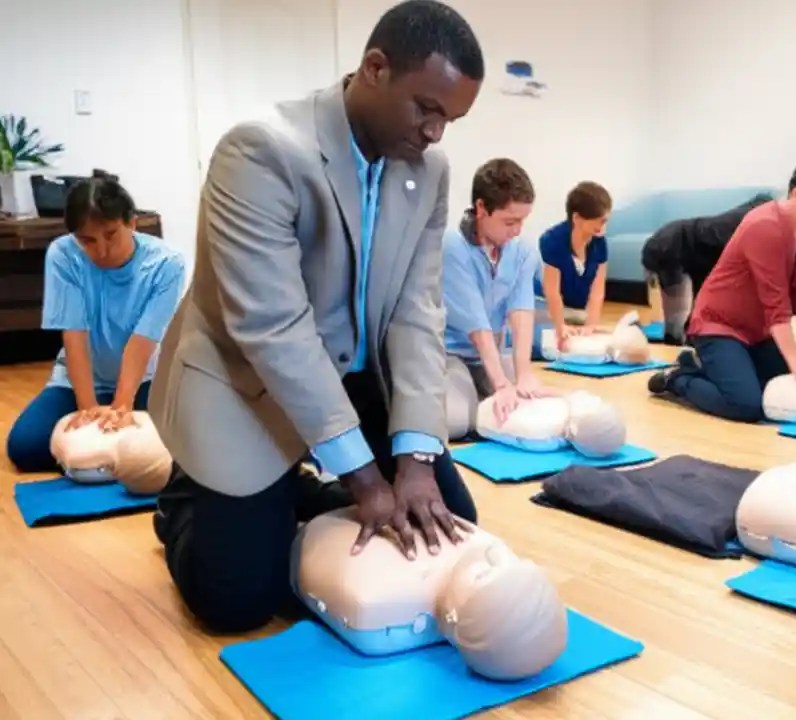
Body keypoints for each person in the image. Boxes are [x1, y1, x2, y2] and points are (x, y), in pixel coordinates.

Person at [147, 0, 485, 634]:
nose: (436, 133)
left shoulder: (428, 170)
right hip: (247, 381)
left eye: (452, 119)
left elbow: (417, 312)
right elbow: (274, 331)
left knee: (446, 528)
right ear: (375, 68)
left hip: (354, 377)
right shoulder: (260, 149)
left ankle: (292, 487)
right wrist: (362, 477)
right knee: (239, 603)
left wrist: (413, 458)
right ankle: (186, 494)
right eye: (427, 108)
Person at [647, 154, 796, 422]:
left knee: (777, 386)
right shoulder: (764, 225)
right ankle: (679, 377)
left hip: (758, 331)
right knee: (746, 405)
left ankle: (711, 367)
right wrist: (795, 362)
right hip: (719, 325)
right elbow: (776, 304)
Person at [5, 178, 184, 473]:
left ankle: (103, 459)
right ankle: (112, 458)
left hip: (145, 380)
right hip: (79, 379)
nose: (101, 250)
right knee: (25, 446)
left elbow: (142, 342)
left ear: (132, 223)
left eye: (111, 235)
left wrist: (122, 406)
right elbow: (75, 336)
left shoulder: (167, 264)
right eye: (87, 240)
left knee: (187, 442)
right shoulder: (63, 255)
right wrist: (87, 409)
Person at [442, 158, 546, 437]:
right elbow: (477, 326)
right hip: (450, 353)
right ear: (481, 209)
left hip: (491, 353)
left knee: (527, 404)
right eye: (509, 221)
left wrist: (523, 373)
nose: (517, 230)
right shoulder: (453, 247)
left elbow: (522, 311)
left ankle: (481, 399)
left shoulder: (522, 250)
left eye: (522, 221)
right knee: (454, 422)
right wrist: (501, 384)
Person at [641, 192, 774, 344]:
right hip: (669, 246)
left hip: (684, 248)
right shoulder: (757, 222)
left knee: (689, 323)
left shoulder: (753, 221)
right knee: (676, 330)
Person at [535, 181, 612, 349]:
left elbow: (597, 291)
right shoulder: (552, 241)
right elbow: (552, 292)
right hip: (543, 305)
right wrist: (560, 326)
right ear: (577, 218)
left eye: (605, 221)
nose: (602, 227)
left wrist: (590, 326)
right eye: (598, 221)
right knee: (550, 339)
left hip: (575, 310)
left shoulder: (600, 243)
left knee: (596, 334)